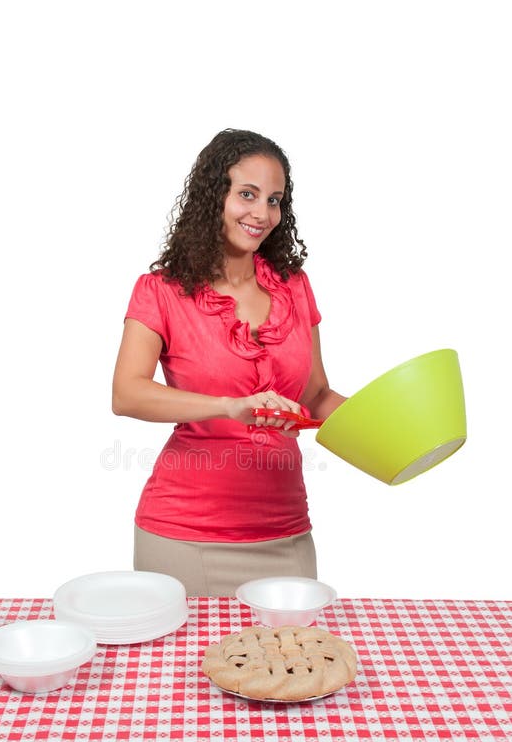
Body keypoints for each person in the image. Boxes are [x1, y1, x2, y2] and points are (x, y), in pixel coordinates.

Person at [112, 128, 346, 597]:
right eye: (247, 194)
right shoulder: (161, 291)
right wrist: (228, 406)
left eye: (275, 200)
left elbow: (317, 396)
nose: (262, 213)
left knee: (290, 666)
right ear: (213, 195)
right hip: (184, 536)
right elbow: (127, 393)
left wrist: (384, 422)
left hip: (286, 534)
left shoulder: (295, 287)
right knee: (181, 670)